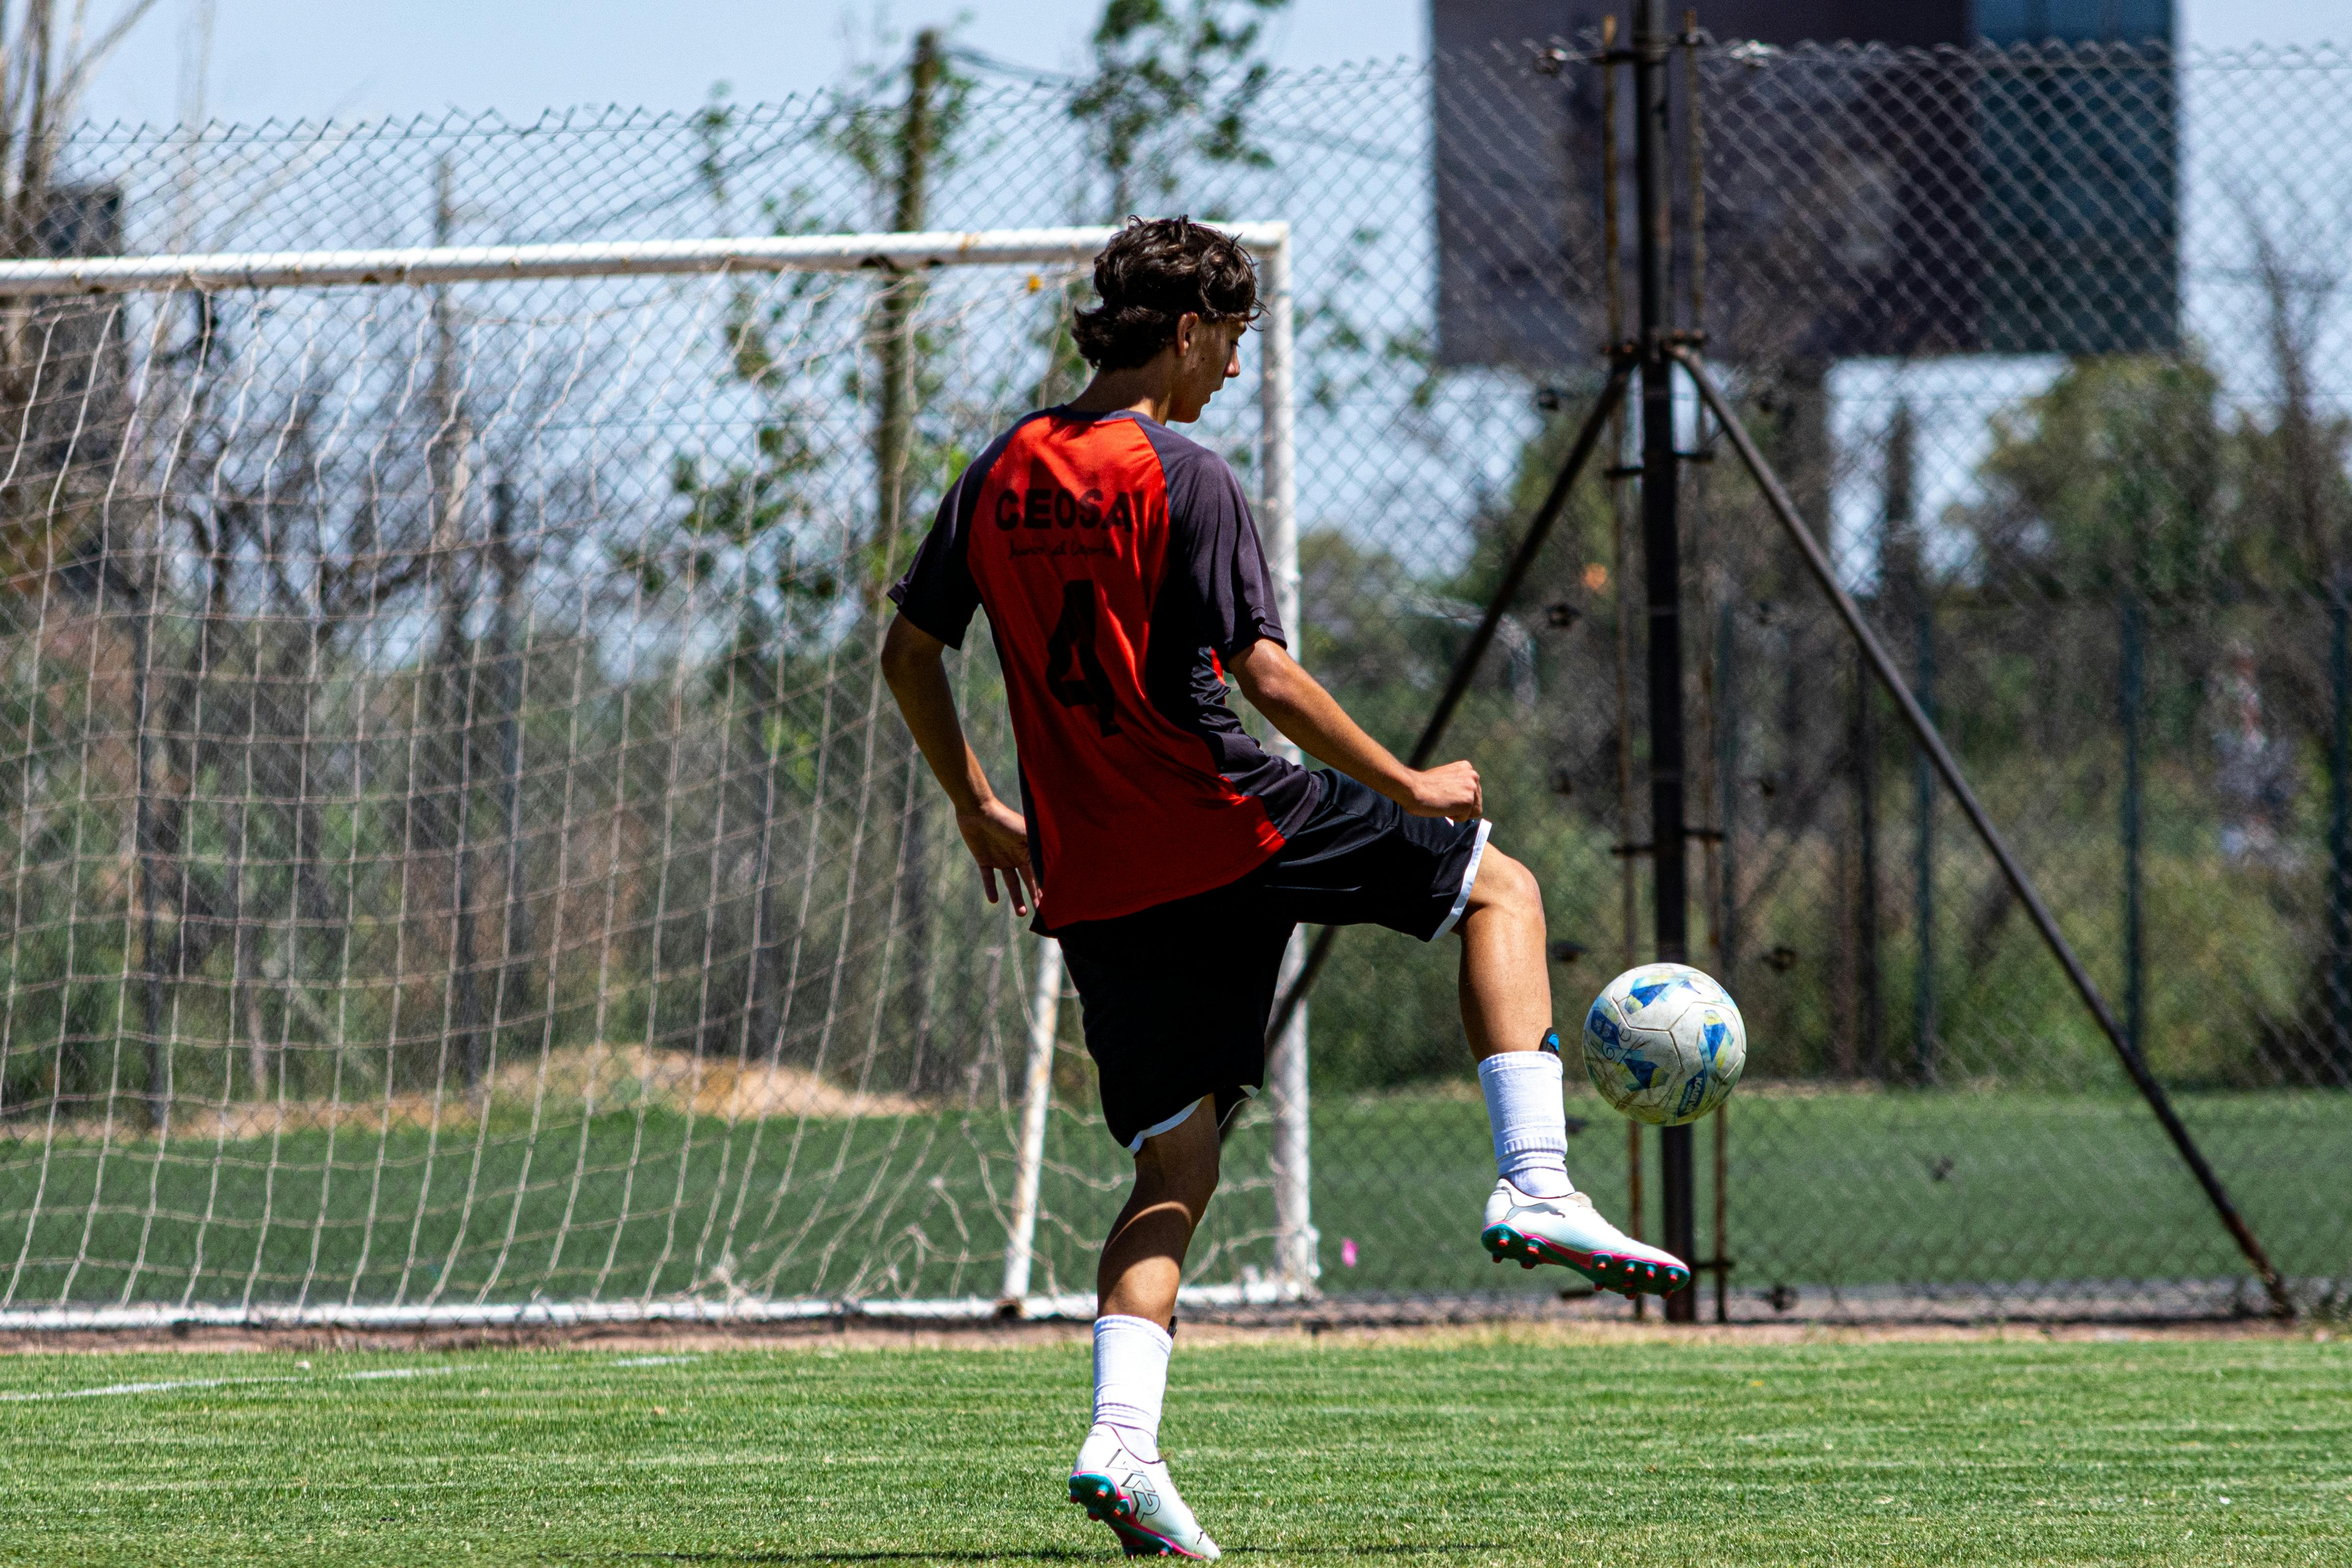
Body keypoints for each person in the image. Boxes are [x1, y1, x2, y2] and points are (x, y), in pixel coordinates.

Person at [881, 216, 1689, 1561]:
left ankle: (1120, 1443)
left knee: (1173, 1163)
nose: (1237, 375)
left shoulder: (995, 471)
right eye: (1235, 344)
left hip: (1098, 875)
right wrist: (1413, 780)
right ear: (1190, 331)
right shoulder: (1184, 476)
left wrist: (976, 805)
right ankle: (1535, 1181)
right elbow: (1266, 678)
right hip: (1226, 820)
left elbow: (910, 653)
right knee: (1503, 892)